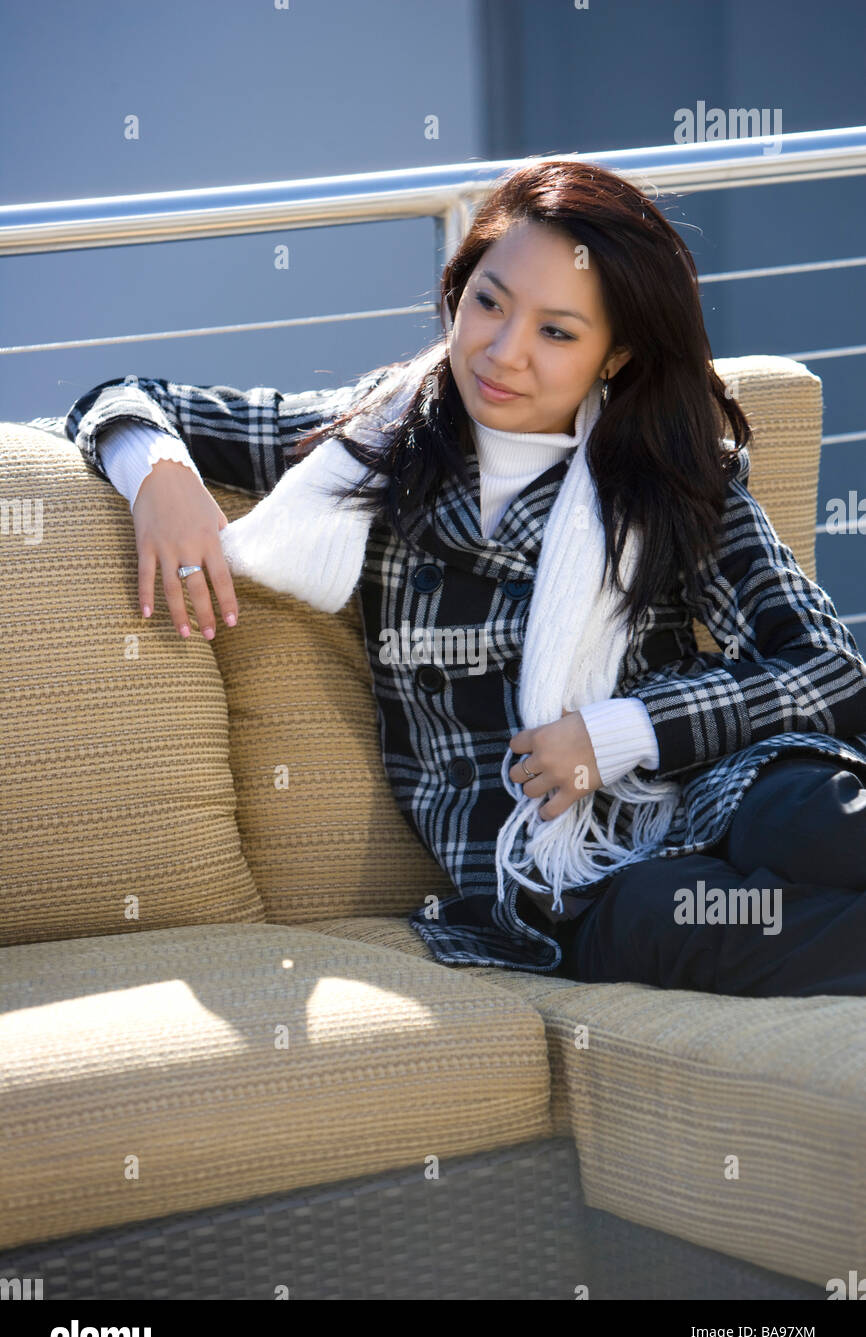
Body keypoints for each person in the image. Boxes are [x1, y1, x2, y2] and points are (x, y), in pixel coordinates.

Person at [65, 158, 866, 997]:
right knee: (675, 919)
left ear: (616, 355)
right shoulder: (372, 444)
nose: (503, 352)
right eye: (490, 302)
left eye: (557, 332)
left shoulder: (666, 473)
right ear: (459, 288)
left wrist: (619, 733)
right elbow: (123, 397)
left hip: (723, 780)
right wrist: (159, 474)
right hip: (567, 873)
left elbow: (832, 669)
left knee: (826, 828)